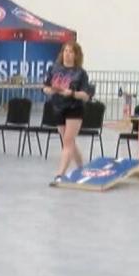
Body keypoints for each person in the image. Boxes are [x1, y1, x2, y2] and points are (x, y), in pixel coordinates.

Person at [44, 42, 92, 185]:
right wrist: (51, 90)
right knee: (68, 141)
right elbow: (45, 87)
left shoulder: (80, 73)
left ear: (76, 55)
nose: (68, 54)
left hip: (74, 108)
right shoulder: (54, 68)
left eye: (71, 51)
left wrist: (72, 93)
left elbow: (85, 95)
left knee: (67, 141)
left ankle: (60, 174)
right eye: (66, 51)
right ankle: (82, 168)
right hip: (58, 107)